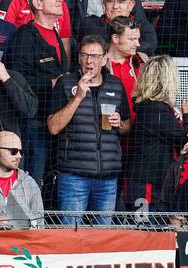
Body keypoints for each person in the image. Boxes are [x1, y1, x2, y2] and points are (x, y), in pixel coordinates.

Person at [47, 36, 131, 226]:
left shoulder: (115, 85)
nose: (89, 61)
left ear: (104, 59)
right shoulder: (66, 83)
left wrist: (119, 123)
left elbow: (127, 127)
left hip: (108, 177)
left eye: (94, 56)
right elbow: (53, 127)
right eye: (84, 55)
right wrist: (77, 98)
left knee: (103, 236)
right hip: (74, 176)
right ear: (78, 58)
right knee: (70, 233)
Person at [129, 55, 188, 212]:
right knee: (144, 234)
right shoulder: (153, 109)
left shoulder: (160, 107)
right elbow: (183, 140)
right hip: (146, 185)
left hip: (158, 183)